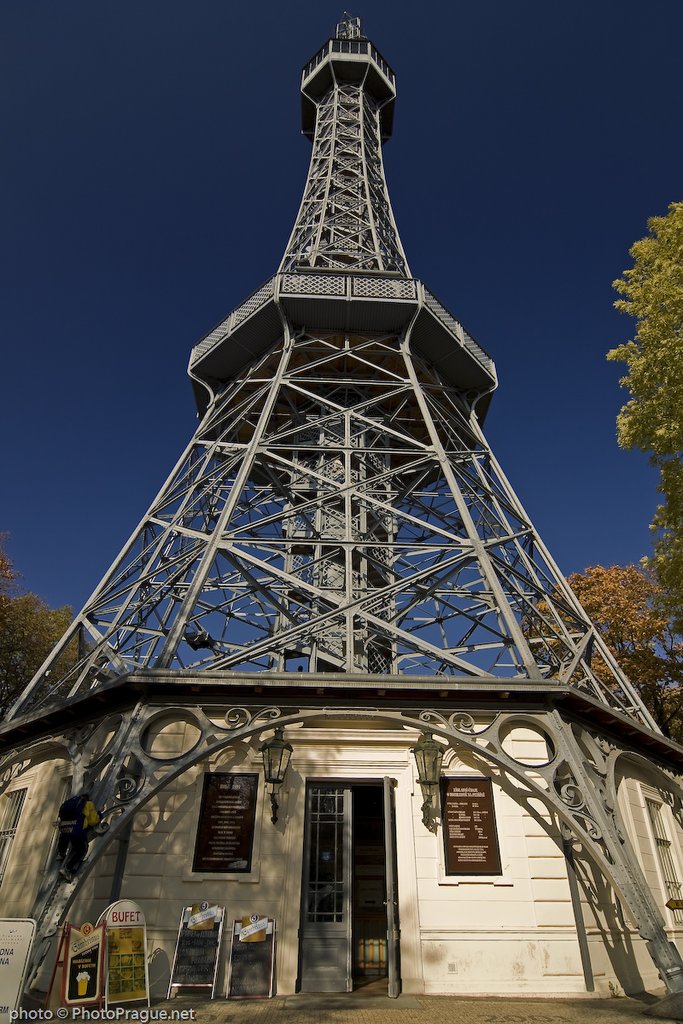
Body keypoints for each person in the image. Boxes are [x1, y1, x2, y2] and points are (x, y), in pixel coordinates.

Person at [57, 791, 100, 880]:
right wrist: (99, 816)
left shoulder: (70, 802)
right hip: (76, 829)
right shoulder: (88, 804)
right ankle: (67, 869)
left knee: (65, 837)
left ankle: (61, 853)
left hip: (64, 828)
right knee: (81, 849)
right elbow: (93, 821)